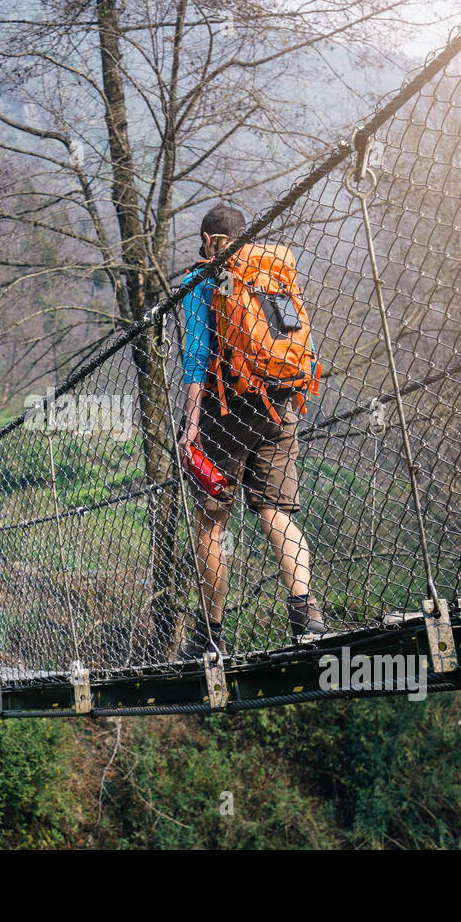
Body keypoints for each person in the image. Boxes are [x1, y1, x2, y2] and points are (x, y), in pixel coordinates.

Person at [177, 203, 327, 659]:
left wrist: (191, 423)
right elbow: (304, 344)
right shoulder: (273, 274)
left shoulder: (204, 280)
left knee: (211, 520)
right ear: (245, 237)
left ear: (207, 240)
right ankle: (306, 615)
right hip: (282, 401)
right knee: (275, 511)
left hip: (228, 407)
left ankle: (210, 635)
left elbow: (197, 358)